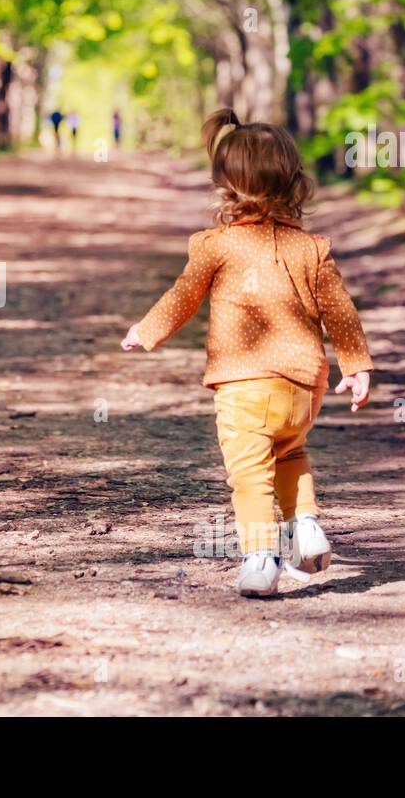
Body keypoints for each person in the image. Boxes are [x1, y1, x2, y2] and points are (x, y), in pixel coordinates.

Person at [120, 107, 373, 597]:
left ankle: (261, 558)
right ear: (293, 181)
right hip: (305, 384)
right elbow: (339, 309)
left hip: (243, 384)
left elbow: (182, 297)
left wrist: (145, 331)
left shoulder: (215, 246)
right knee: (290, 451)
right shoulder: (312, 249)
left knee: (250, 473)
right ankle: (307, 528)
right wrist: (357, 364)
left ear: (226, 187)